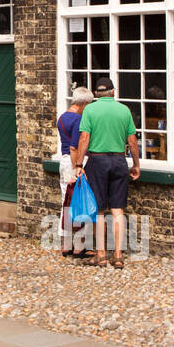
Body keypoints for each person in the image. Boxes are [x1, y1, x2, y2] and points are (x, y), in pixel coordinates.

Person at [74, 77, 141, 269]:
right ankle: (118, 255)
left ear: (96, 94)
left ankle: (101, 254)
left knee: (99, 209)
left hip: (97, 161)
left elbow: (84, 138)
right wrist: (136, 165)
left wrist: (79, 164)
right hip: (119, 160)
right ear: (113, 92)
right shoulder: (124, 110)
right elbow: (133, 141)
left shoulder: (90, 110)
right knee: (118, 209)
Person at [56, 87, 94, 257]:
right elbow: (74, 147)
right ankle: (79, 246)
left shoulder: (62, 117)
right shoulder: (78, 119)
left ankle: (65, 244)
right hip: (74, 161)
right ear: (84, 103)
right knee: (79, 203)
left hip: (63, 162)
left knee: (66, 201)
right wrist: (77, 168)